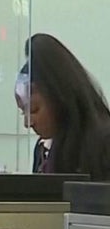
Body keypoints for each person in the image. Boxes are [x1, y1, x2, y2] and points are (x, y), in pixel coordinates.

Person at [17, 33, 110, 179]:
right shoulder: (43, 150)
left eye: (34, 109)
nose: (28, 123)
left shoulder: (103, 144)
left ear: (59, 97)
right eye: (23, 112)